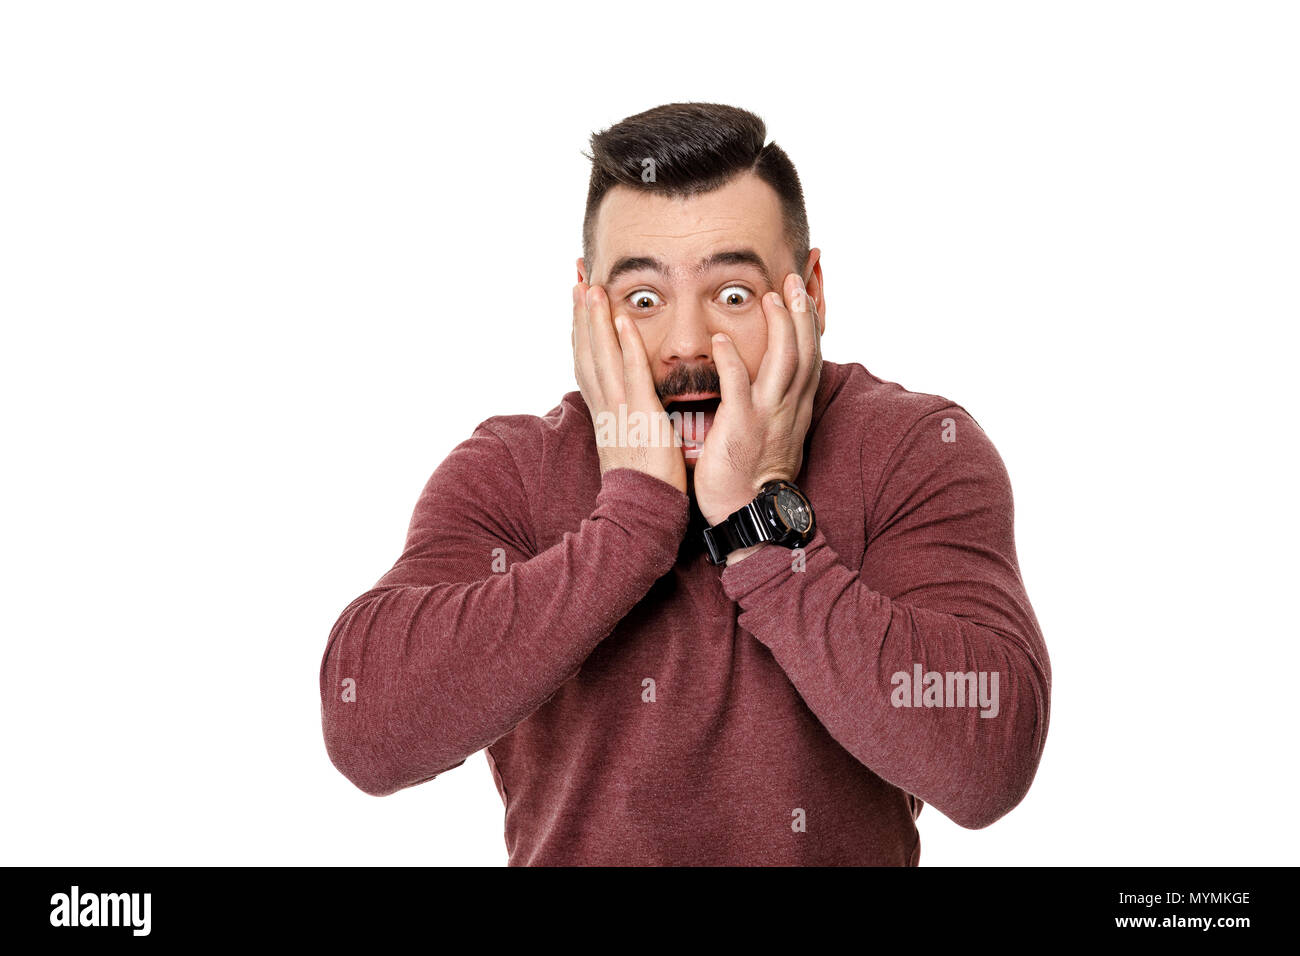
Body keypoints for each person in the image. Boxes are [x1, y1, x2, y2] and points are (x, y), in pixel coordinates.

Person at [319, 102, 1051, 865]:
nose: (686, 344)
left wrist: (758, 517)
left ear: (812, 290)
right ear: (586, 305)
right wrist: (632, 518)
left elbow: (989, 766)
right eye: (643, 299)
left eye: (733, 295)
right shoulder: (512, 470)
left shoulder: (913, 449)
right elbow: (366, 733)